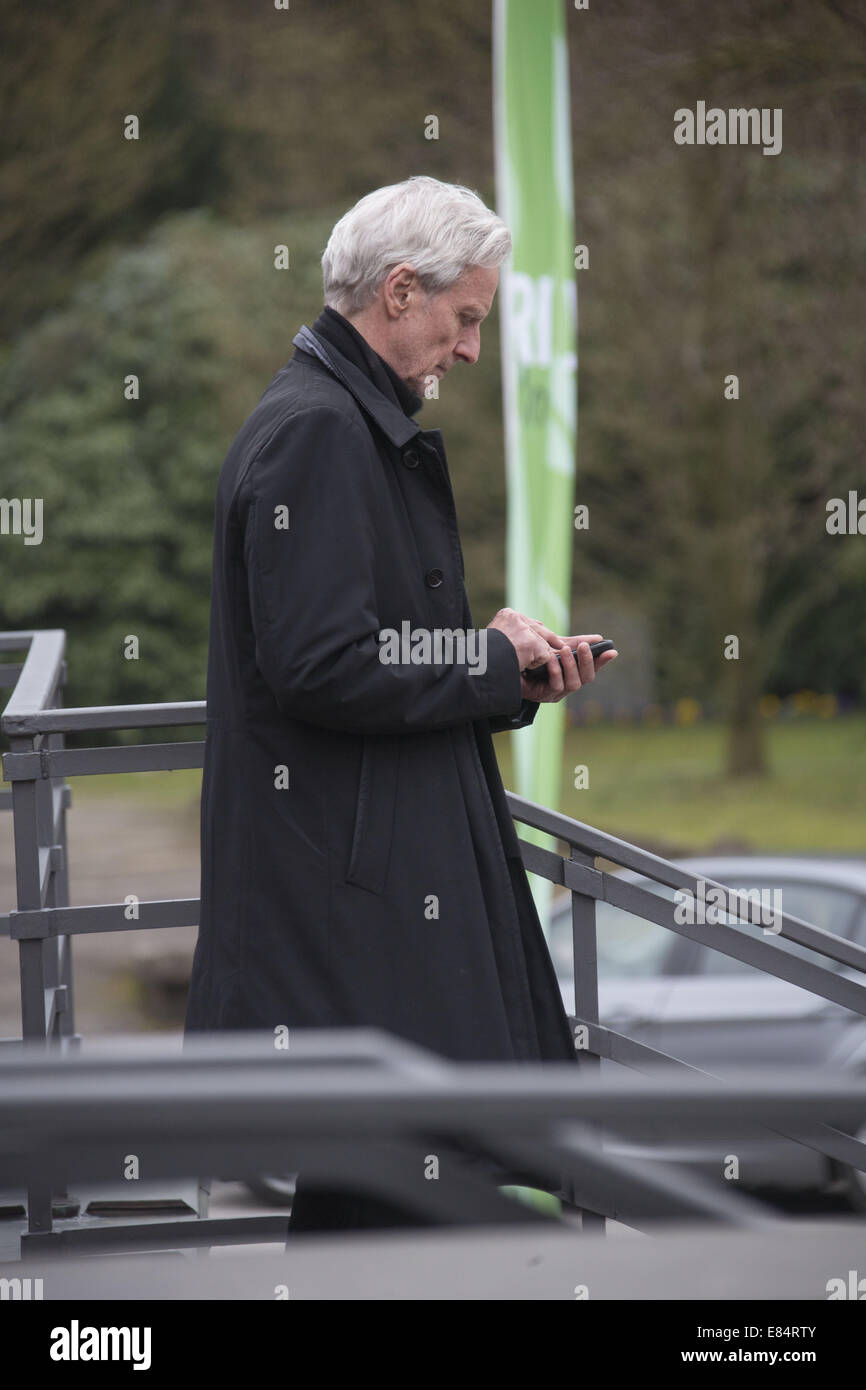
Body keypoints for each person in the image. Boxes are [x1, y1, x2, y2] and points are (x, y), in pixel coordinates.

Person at [184, 175, 617, 1230]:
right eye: (464, 317)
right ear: (398, 292)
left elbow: (354, 650)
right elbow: (322, 663)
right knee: (398, 1194)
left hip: (366, 891)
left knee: (379, 1192)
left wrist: (495, 659)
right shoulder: (321, 433)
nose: (469, 349)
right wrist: (481, 660)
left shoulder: (335, 420)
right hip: (361, 902)